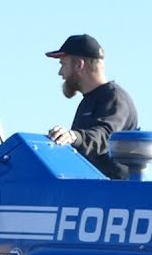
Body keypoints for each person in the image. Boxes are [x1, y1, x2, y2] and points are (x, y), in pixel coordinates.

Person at [44, 34, 139, 179]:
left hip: (113, 196)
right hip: (90, 195)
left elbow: (105, 136)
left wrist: (73, 137)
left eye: (63, 65)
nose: (60, 73)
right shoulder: (88, 101)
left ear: (79, 65)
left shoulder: (115, 98)